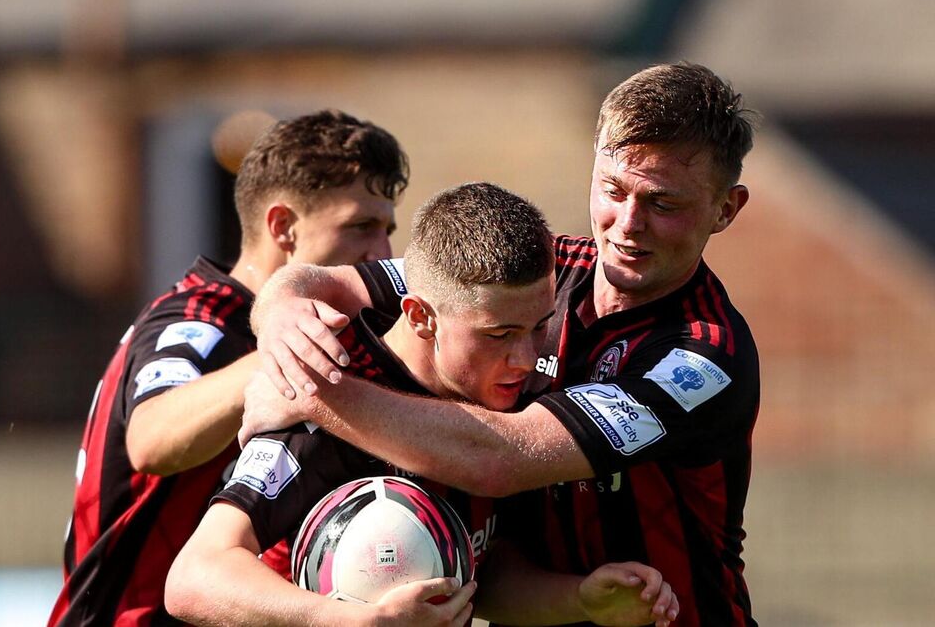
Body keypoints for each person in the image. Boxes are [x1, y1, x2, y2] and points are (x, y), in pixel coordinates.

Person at [244, 62, 758, 627]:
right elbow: (318, 281)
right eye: (613, 190)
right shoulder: (539, 271)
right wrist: (278, 323)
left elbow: (499, 459)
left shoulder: (703, 356)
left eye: (663, 204)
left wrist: (314, 392)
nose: (627, 223)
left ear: (725, 209)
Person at [165, 183, 679, 627]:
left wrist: (580, 598)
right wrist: (343, 619)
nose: (525, 359)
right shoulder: (324, 401)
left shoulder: (496, 399)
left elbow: (483, 570)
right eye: (499, 334)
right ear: (421, 316)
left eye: (539, 327)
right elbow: (194, 577)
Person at [48, 109, 409, 627]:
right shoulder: (198, 319)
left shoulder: (340, 325)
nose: (383, 253)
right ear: (282, 226)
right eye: (361, 227)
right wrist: (278, 352)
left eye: (388, 229)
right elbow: (151, 438)